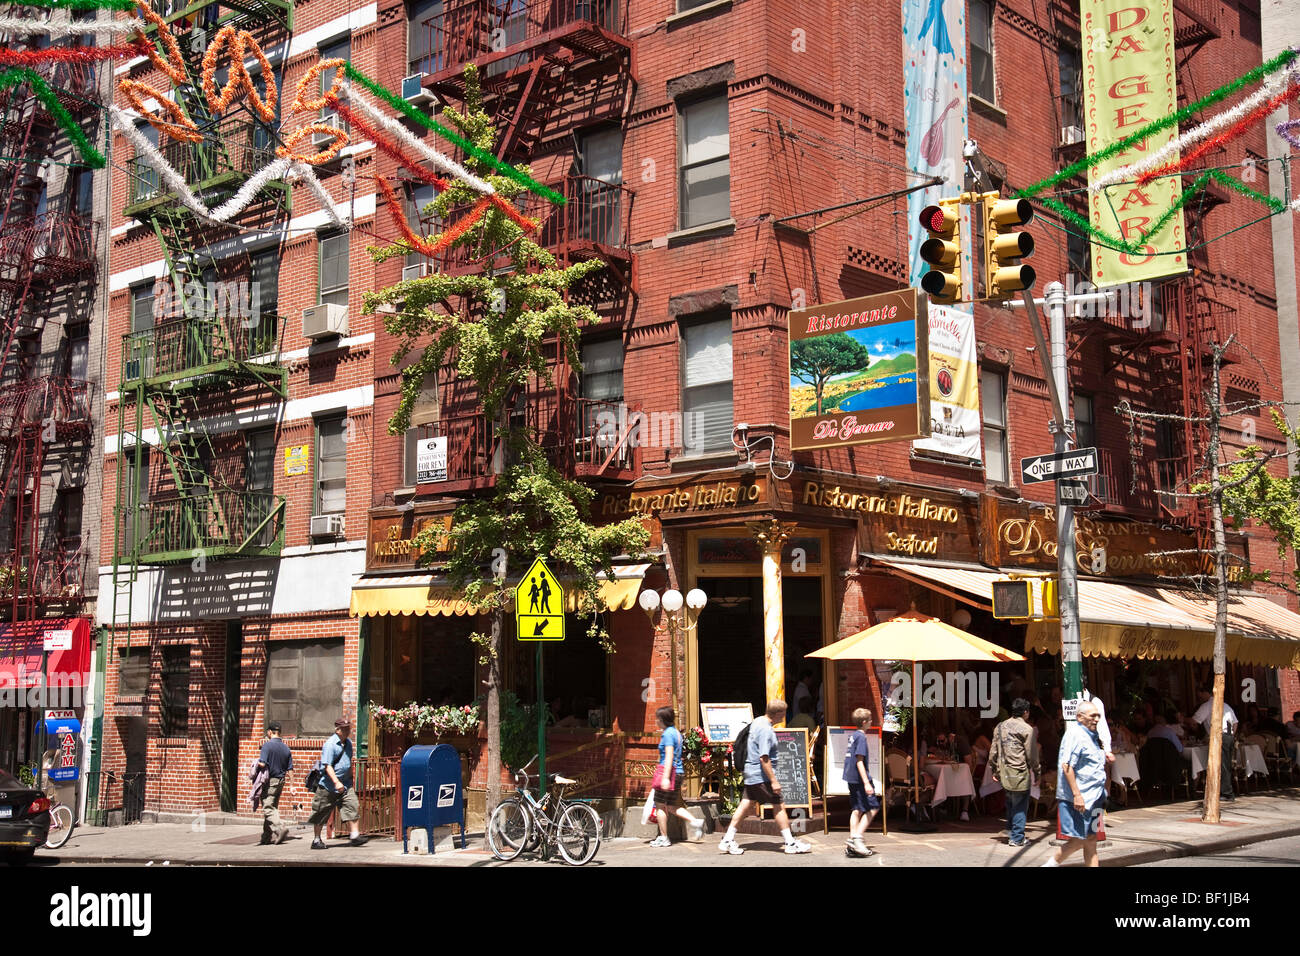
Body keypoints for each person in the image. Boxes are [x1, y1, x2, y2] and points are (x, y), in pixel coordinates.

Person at [718, 700, 811, 855]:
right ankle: (790, 843)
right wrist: (774, 780)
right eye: (783, 713)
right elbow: (764, 757)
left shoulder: (758, 721)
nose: (784, 716)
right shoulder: (766, 730)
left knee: (745, 805)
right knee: (778, 805)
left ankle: (728, 839)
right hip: (761, 776)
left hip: (751, 773)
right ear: (778, 714)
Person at [1042, 702, 1107, 867]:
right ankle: (1050, 865)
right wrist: (1077, 795)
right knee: (1079, 839)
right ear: (1079, 717)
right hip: (1080, 799)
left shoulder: (1092, 734)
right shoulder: (1075, 734)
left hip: (1095, 797)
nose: (1096, 719)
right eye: (1092, 715)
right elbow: (1067, 766)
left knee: (1091, 839)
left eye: (1097, 715)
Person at [649, 706, 705, 847]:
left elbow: (669, 755)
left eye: (657, 718)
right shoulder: (676, 733)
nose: (656, 721)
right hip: (678, 772)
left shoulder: (668, 734)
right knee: (672, 806)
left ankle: (664, 837)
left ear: (661, 720)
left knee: (660, 805)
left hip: (669, 772)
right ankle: (695, 822)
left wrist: (666, 777)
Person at [310, 717, 367, 849]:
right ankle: (316, 840)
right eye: (345, 729)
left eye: (348, 728)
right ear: (337, 730)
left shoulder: (348, 744)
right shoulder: (330, 744)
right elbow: (327, 766)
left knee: (352, 805)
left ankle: (354, 836)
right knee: (321, 811)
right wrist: (336, 782)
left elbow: (348, 763)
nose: (348, 731)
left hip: (346, 784)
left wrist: (350, 779)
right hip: (329, 785)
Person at [990, 698, 1038, 847]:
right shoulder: (1027, 729)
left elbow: (993, 752)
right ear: (1025, 712)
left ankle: (1011, 831)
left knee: (1010, 802)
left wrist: (994, 769)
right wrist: (1037, 771)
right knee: (1020, 806)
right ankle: (1017, 838)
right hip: (1020, 772)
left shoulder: (1000, 727)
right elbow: (1031, 755)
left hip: (1004, 772)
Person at [842, 707, 879, 858]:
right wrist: (867, 783)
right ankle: (857, 837)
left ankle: (852, 840)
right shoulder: (862, 737)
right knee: (873, 807)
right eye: (870, 720)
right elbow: (859, 761)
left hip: (850, 777)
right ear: (864, 722)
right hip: (859, 778)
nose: (871, 722)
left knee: (856, 809)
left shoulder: (854, 735)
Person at [1191, 686, 1239, 802]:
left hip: (1220, 736)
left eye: (1199, 695)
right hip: (1228, 736)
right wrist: (1231, 736)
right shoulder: (1225, 705)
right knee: (1225, 764)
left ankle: (1226, 793)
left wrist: (1182, 720)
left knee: (1221, 765)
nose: (1199, 697)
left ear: (1205, 693)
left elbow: (1194, 721)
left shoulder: (1207, 705)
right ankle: (1226, 792)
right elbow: (1235, 723)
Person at [258, 722, 293, 845]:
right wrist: (292, 786)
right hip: (281, 781)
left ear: (269, 732)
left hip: (270, 782)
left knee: (268, 808)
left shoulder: (266, 746)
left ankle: (280, 829)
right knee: (272, 808)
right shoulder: (286, 748)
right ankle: (266, 837)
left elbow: (262, 764)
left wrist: (256, 763)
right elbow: (290, 769)